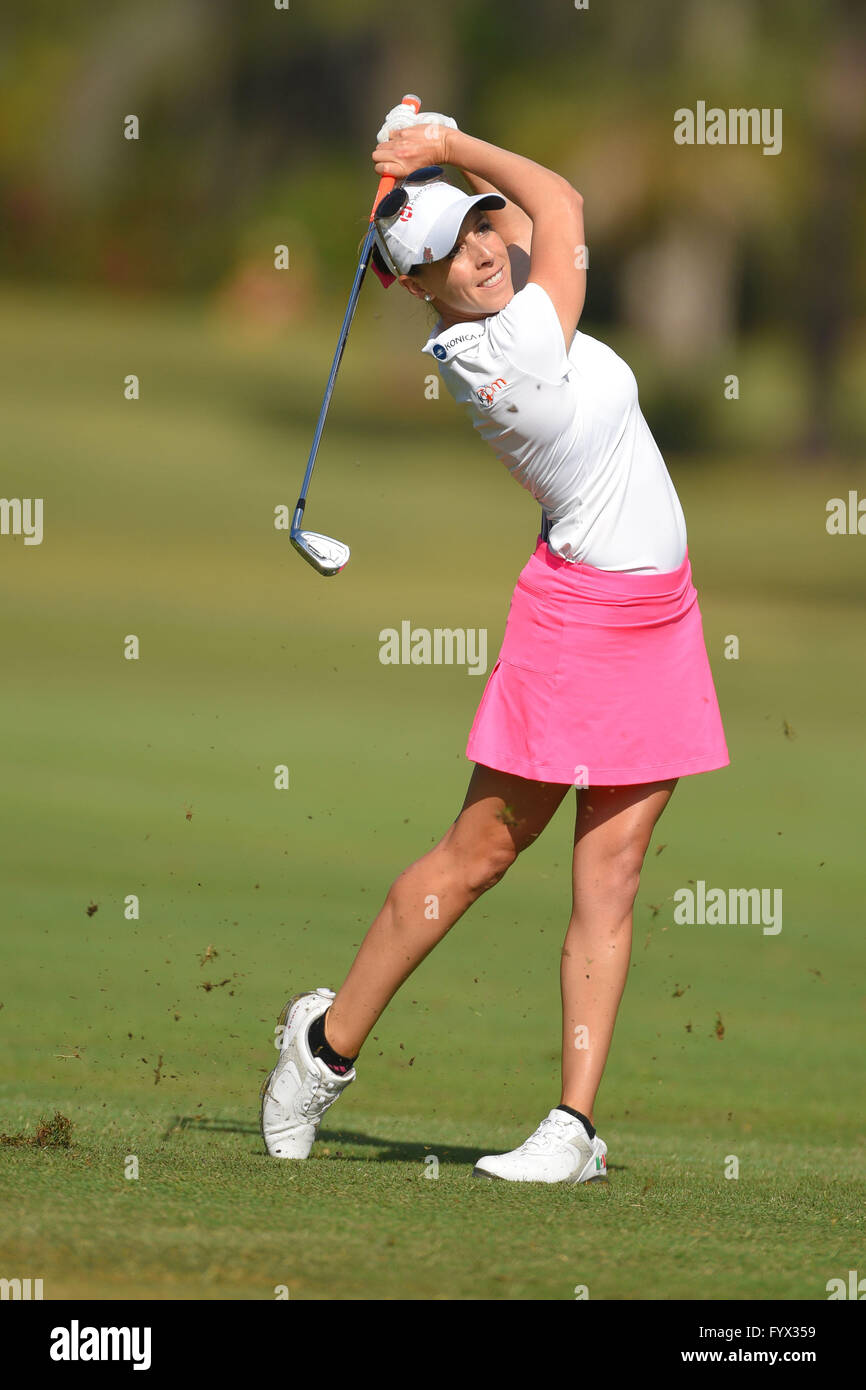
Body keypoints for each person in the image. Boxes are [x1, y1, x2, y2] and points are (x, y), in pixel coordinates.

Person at [260, 106, 729, 1183]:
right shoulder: (505, 349)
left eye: (476, 233)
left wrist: (422, 145)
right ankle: (321, 1049)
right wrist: (452, 141)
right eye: (448, 256)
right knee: (476, 857)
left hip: (659, 613)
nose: (479, 253)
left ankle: (571, 1128)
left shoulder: (510, 294)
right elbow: (557, 204)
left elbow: (522, 216)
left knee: (609, 879)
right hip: (578, 625)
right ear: (415, 288)